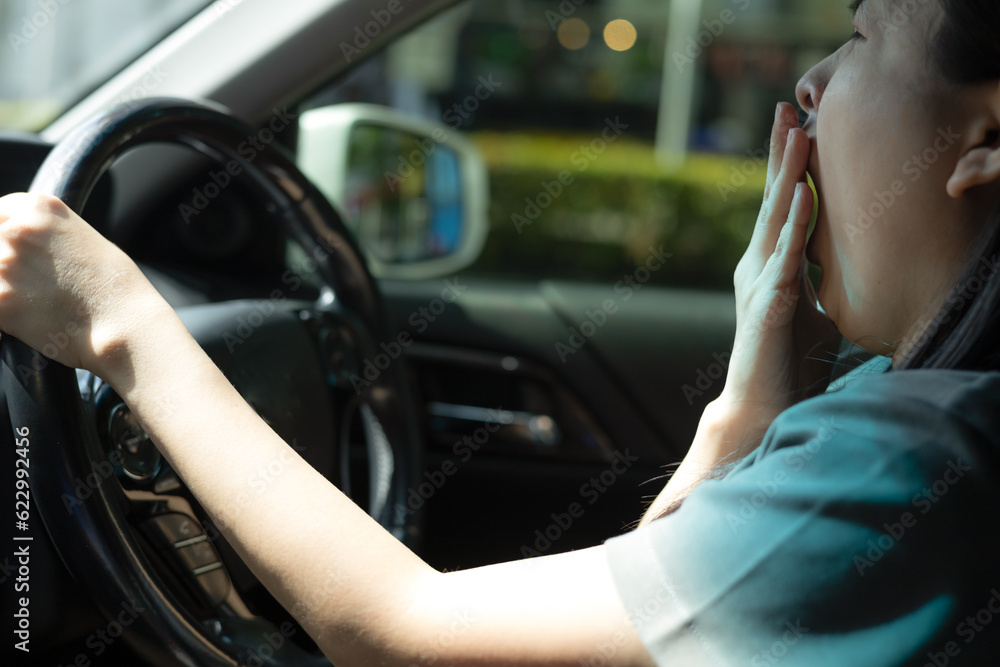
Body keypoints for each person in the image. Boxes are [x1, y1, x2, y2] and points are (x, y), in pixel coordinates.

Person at [2, 0, 1000, 664]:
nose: (810, 83)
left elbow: (404, 635)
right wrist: (741, 413)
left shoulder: (910, 457)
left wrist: (117, 321)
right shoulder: (899, 408)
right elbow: (653, 628)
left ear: (986, 137)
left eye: (862, 34)